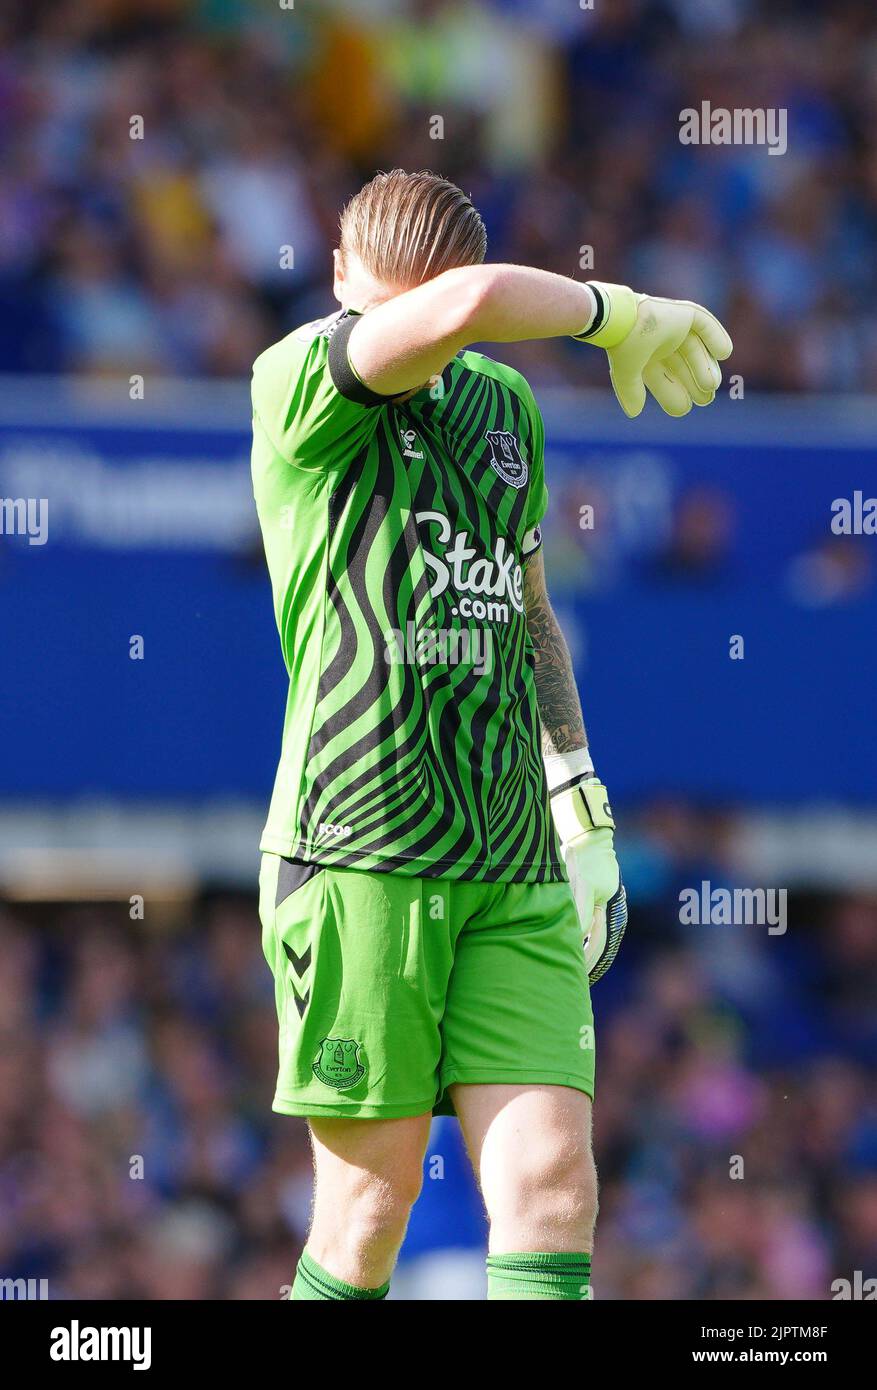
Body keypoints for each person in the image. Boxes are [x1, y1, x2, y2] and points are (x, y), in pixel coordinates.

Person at [250, 169, 731, 1301]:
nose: (411, 331)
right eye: (387, 306)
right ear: (337, 285)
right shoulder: (296, 381)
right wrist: (617, 311)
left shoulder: (502, 408)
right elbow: (455, 312)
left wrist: (579, 797)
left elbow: (526, 613)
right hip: (359, 845)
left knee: (553, 1184)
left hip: (510, 854)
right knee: (368, 1211)